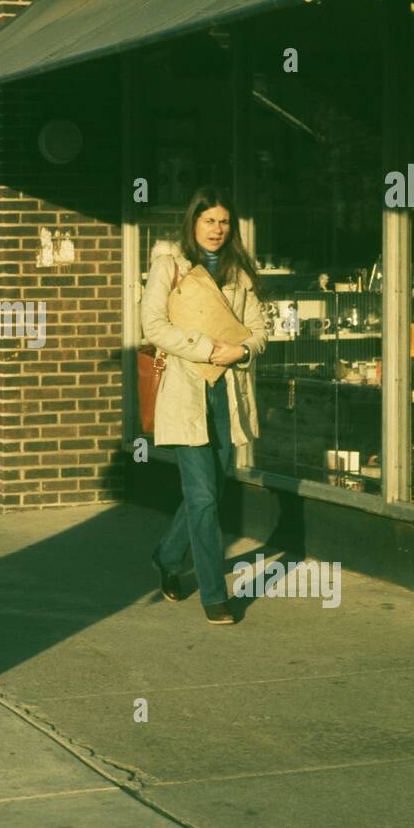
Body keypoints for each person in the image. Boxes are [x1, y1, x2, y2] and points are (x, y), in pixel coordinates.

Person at [142, 187, 268, 624]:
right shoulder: (170, 266)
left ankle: (167, 556)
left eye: (223, 222)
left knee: (209, 490)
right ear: (192, 222)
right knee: (203, 498)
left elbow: (258, 328)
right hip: (186, 390)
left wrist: (244, 351)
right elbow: (153, 324)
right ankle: (215, 595)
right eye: (208, 220)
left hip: (227, 393)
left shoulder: (238, 272)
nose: (216, 230)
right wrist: (204, 348)